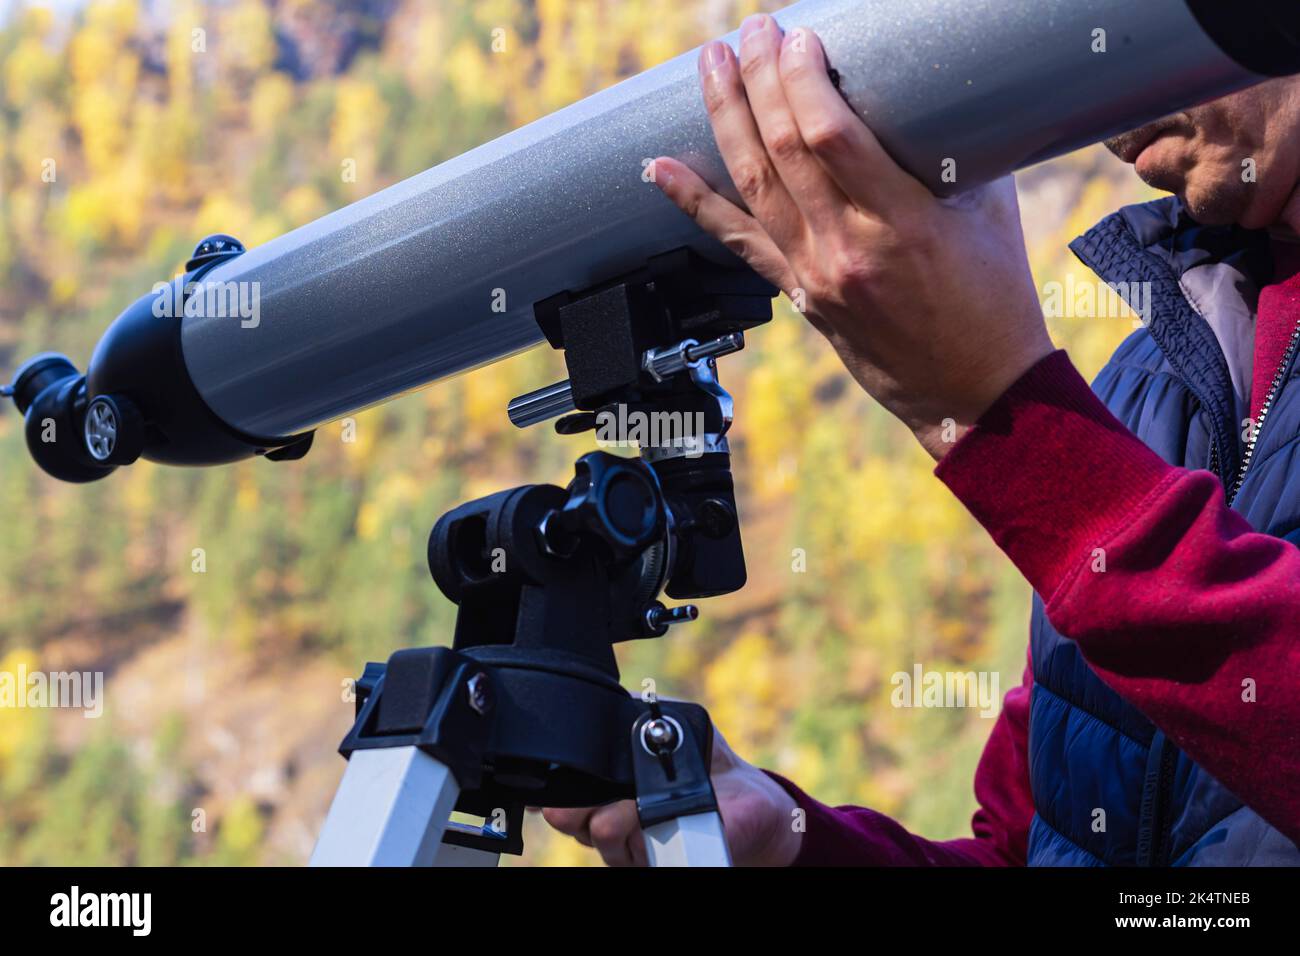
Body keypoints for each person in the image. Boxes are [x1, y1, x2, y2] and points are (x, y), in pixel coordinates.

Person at [543, 14, 1300, 866]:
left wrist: (1005, 416)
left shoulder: (1093, 426)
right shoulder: (1153, 378)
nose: (1110, 126)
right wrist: (792, 845)